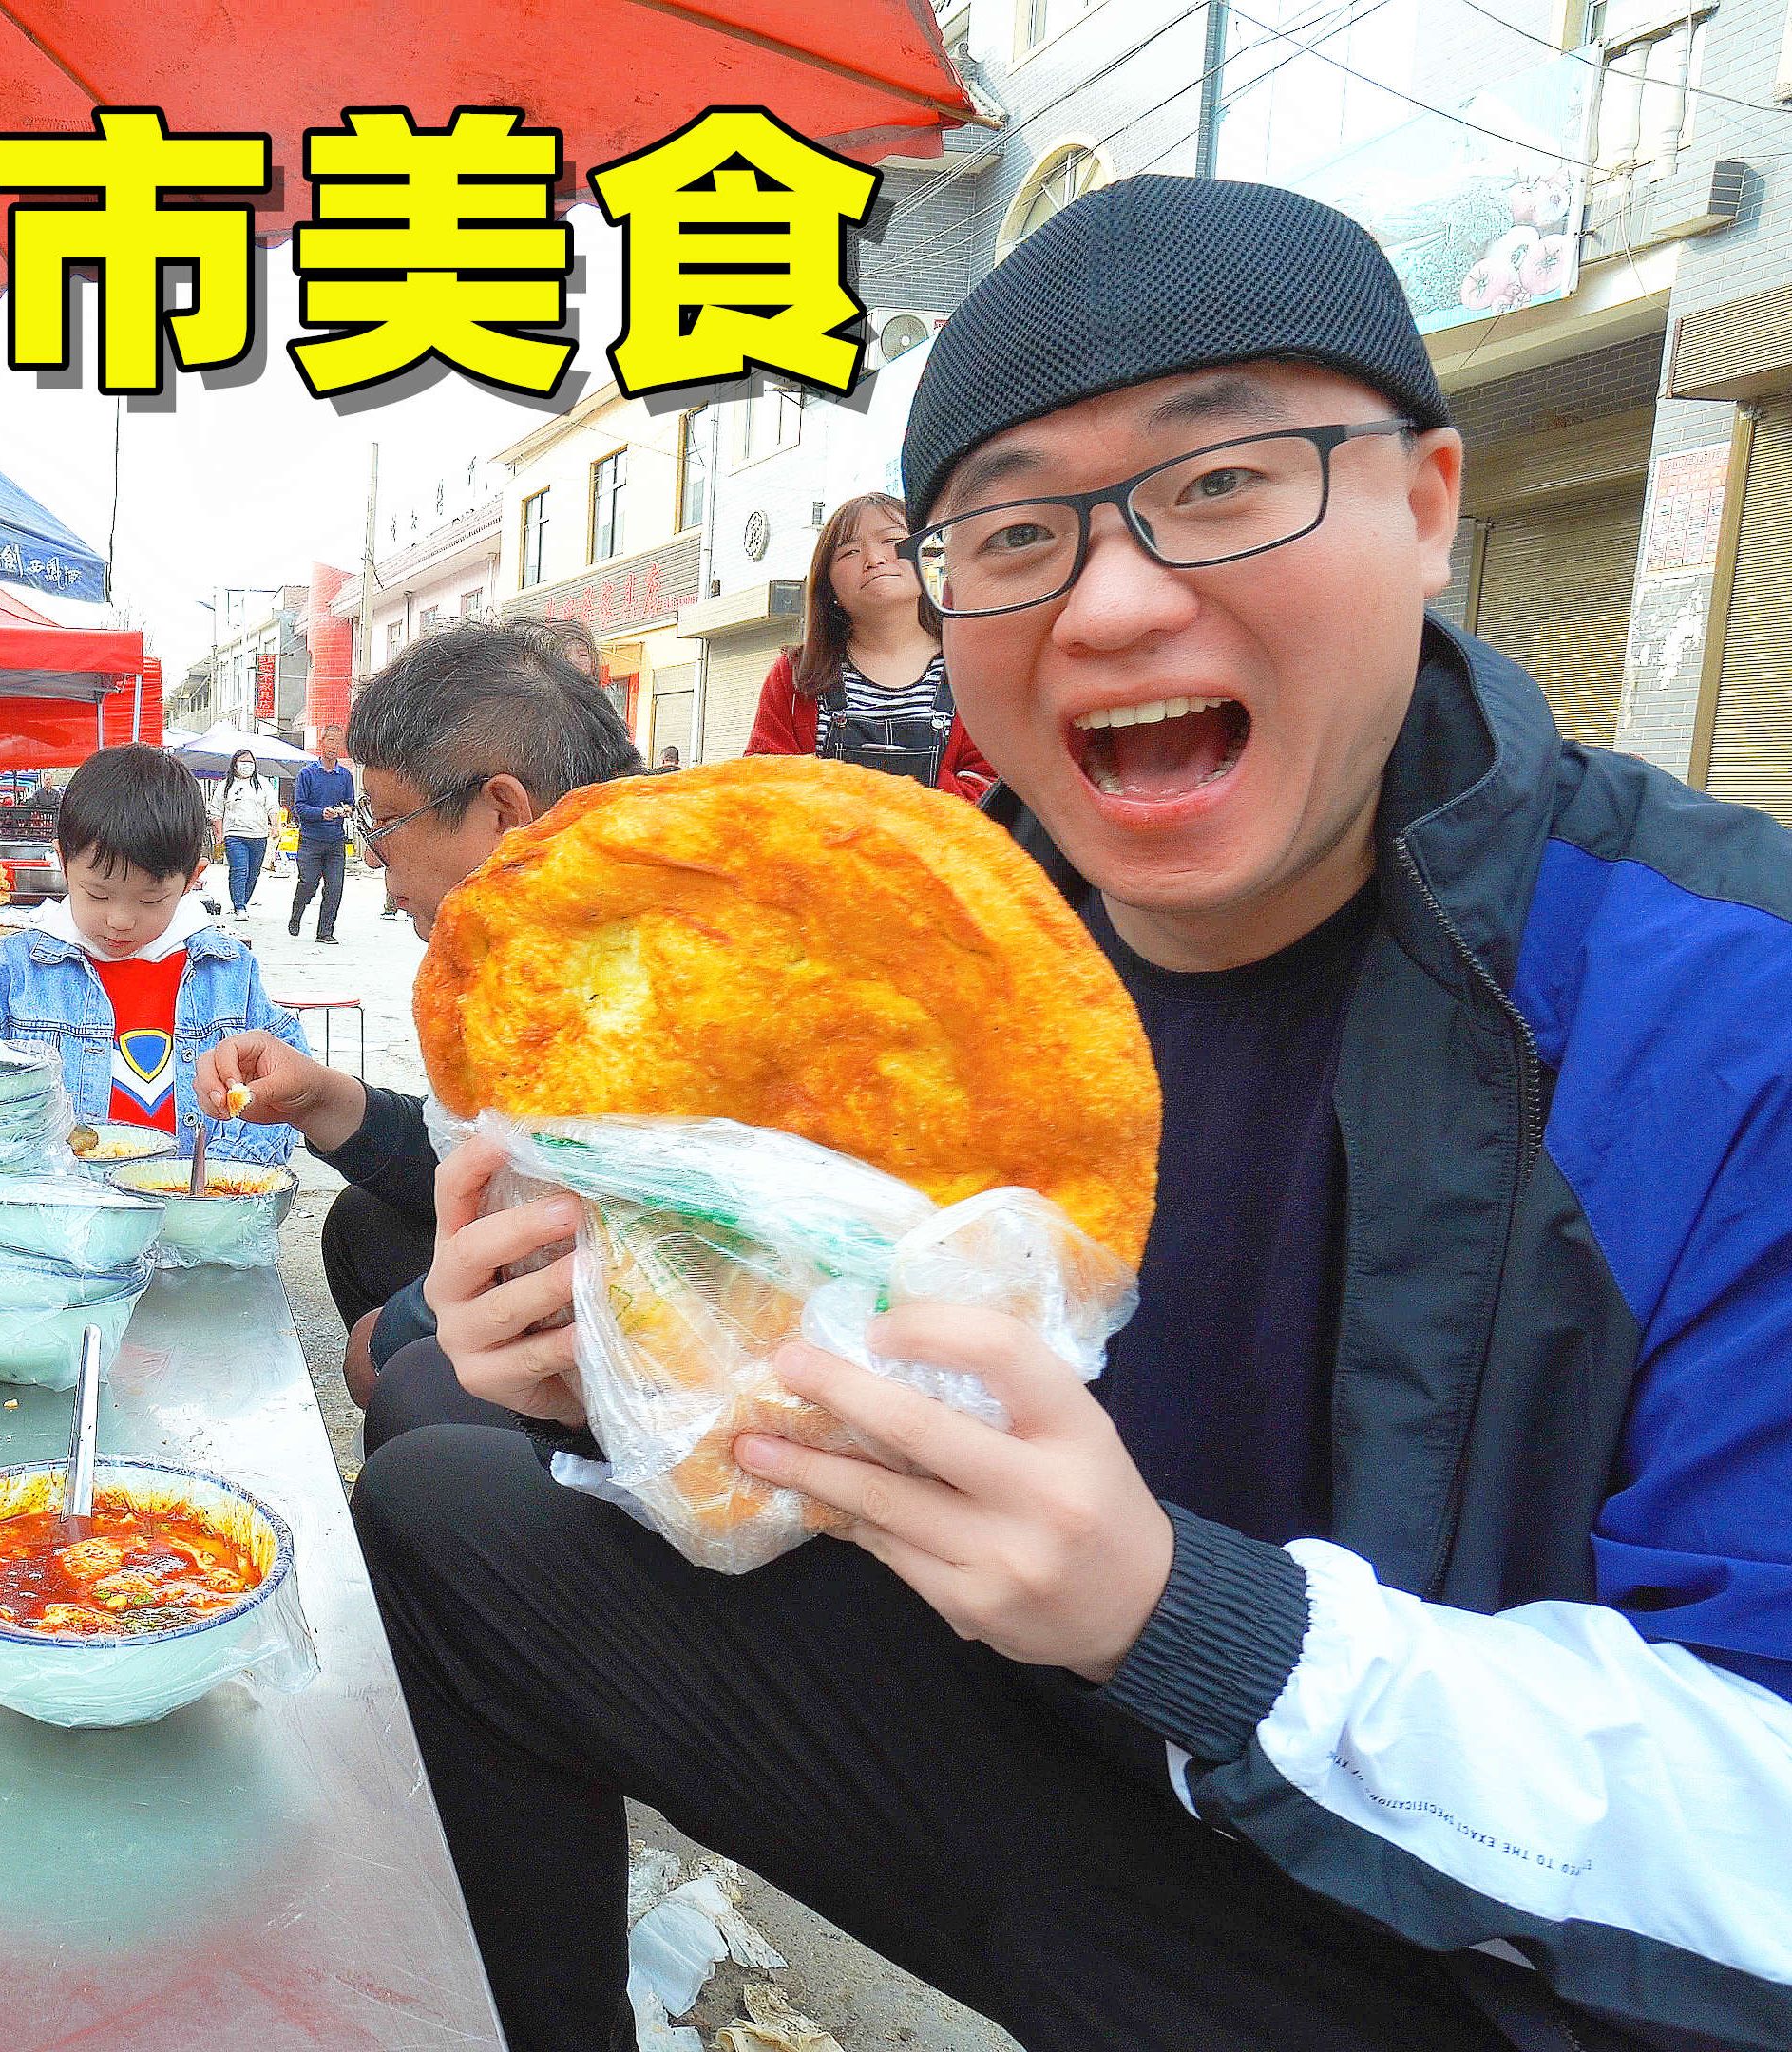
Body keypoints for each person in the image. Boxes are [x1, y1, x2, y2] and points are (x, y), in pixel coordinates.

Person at [354, 177, 1792, 2052]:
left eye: (1226, 482)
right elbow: (847, 1406)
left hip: (1470, 1956)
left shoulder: (1721, 1010)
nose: (1113, 601)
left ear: (1428, 505)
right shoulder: (923, 946)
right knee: (455, 1476)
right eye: (1016, 533)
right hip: (1059, 1767)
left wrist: (1192, 1618)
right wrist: (623, 1377)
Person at [194, 620, 639, 1417]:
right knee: (363, 1225)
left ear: (502, 809)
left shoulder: (643, 972)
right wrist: (315, 1098)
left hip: (689, 1371)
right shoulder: (528, 943)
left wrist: (402, 1335)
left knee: (404, 1395)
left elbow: (594, 1259)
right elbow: (479, 1156)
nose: (371, 856)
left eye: (388, 821)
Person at [0, 746, 306, 1164]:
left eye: (150, 900)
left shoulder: (227, 972)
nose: (120, 920)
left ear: (192, 880)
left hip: (193, 1207)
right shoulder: (23, 965)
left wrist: (234, 1172)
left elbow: (286, 1080)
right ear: (62, 862)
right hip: (66, 1206)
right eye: (97, 893)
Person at [746, 493, 997, 802]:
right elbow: (763, 785)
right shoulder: (794, 675)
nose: (874, 559)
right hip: (822, 849)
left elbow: (991, 787)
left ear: (928, 557)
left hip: (940, 848)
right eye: (850, 551)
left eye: (892, 541)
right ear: (829, 586)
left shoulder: (972, 670)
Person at [287, 729, 357, 941]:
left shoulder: (345, 776)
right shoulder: (307, 774)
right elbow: (299, 808)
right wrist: (321, 813)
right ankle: (297, 913)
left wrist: (347, 810)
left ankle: (325, 931)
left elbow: (350, 803)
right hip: (311, 839)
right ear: (322, 742)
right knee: (308, 883)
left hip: (335, 839)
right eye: (330, 741)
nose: (334, 747)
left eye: (338, 743)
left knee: (335, 887)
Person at [215, 749, 278, 914]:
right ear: (234, 764)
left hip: (259, 835)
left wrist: (275, 826)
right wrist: (219, 832)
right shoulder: (225, 786)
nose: (247, 765)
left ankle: (243, 900)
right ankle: (239, 906)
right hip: (235, 835)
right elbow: (216, 810)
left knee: (253, 872)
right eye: (243, 762)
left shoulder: (263, 784)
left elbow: (272, 806)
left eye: (250, 762)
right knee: (239, 870)